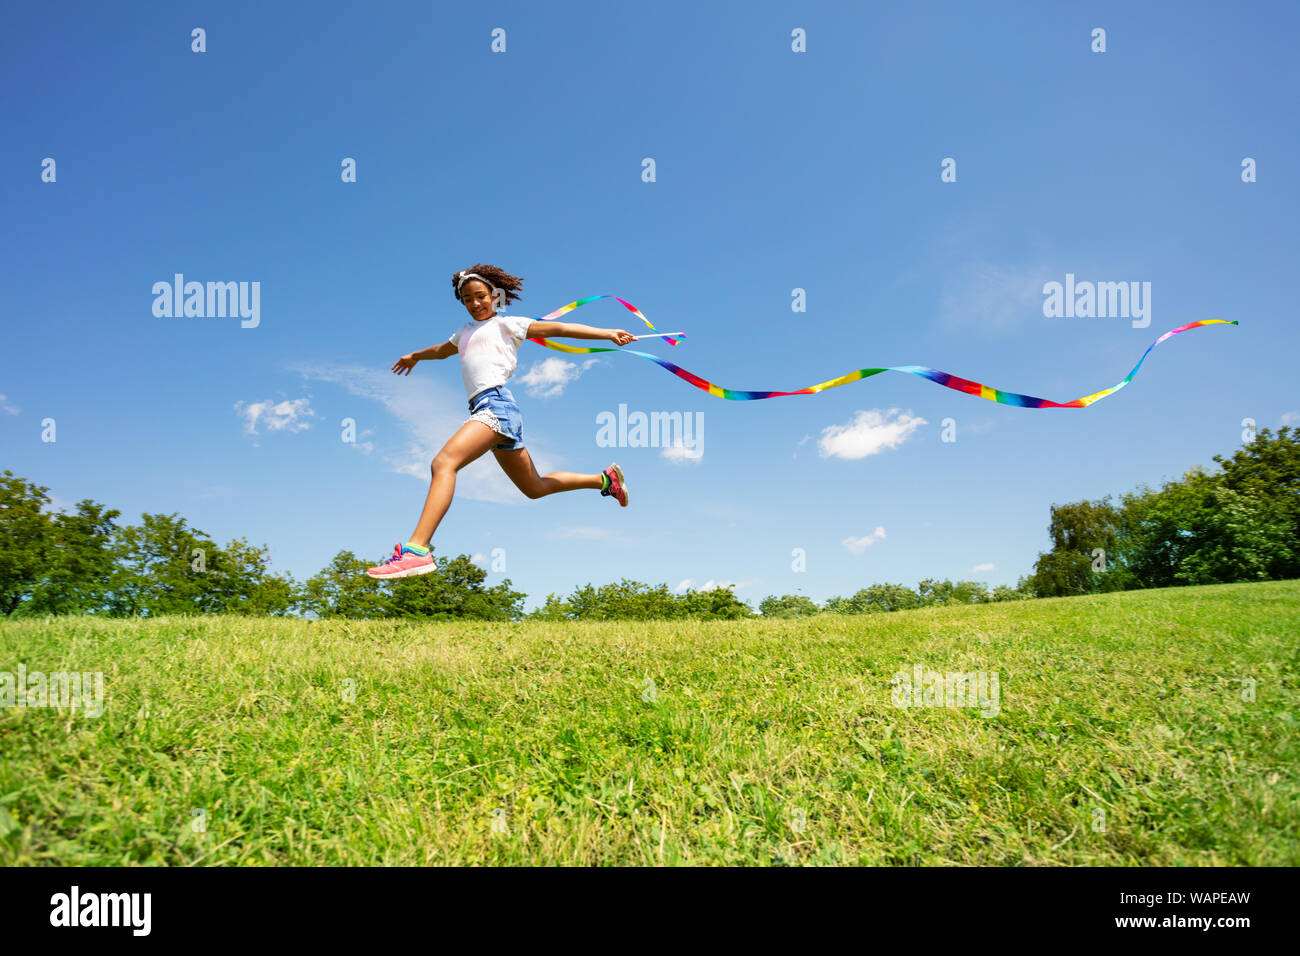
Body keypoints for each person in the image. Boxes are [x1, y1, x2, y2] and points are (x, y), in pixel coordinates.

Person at [366, 264, 631, 579]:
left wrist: (608, 333)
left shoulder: (509, 325)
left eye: (481, 296)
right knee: (534, 488)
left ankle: (417, 550)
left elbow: (559, 329)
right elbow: (440, 351)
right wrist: (414, 356)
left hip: (496, 407)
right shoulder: (463, 332)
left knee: (443, 463)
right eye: (468, 299)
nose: (476, 303)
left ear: (495, 296)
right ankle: (604, 480)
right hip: (490, 411)